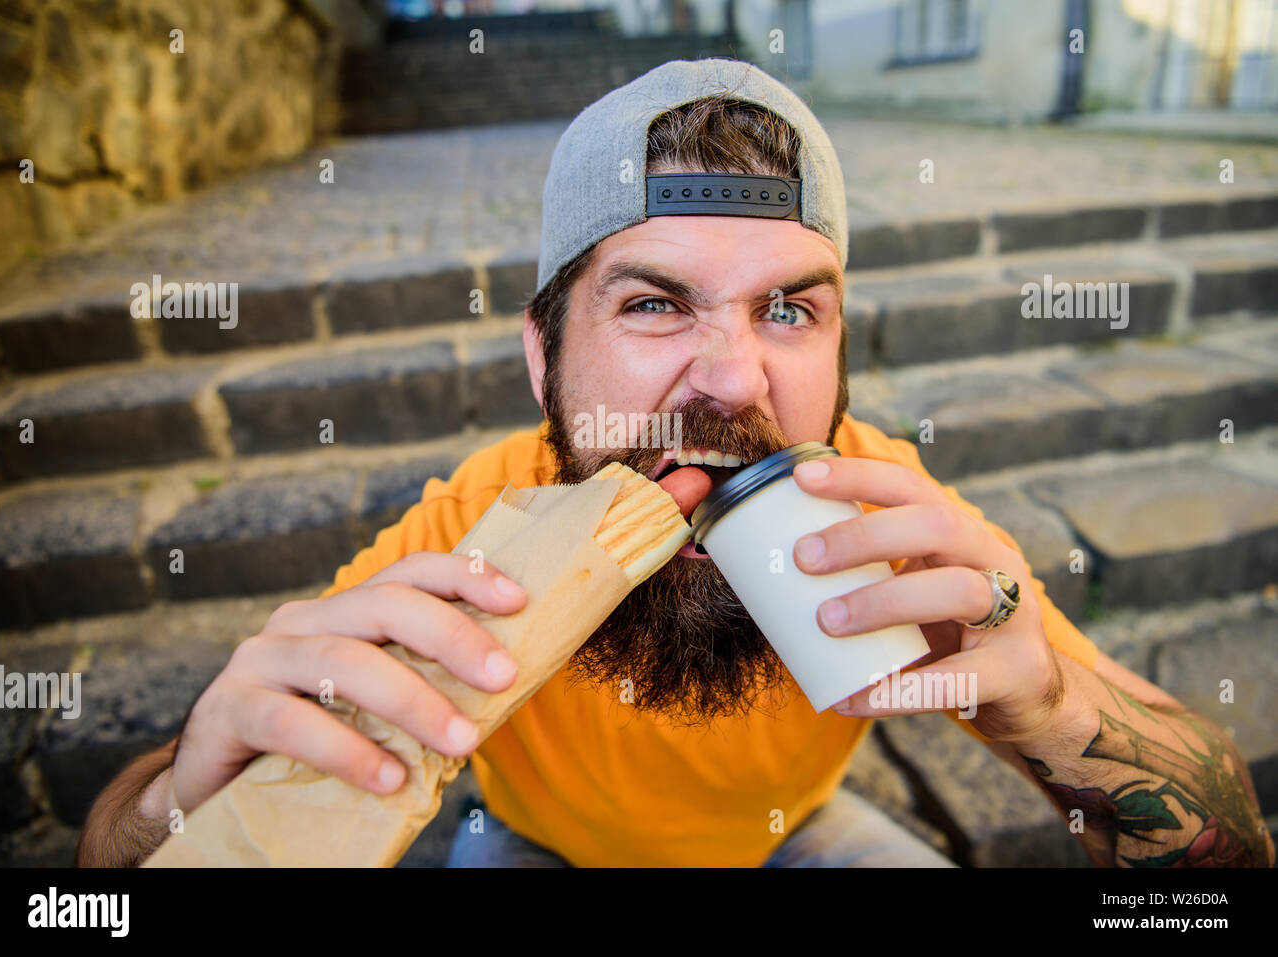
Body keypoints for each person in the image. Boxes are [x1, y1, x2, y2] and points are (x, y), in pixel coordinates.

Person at [77, 59, 1274, 869]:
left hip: (792, 837)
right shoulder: (472, 532)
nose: (734, 381)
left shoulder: (883, 517)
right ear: (542, 358)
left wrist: (1046, 703)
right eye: (653, 304)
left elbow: (1222, 856)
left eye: (790, 313)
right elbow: (102, 873)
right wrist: (190, 780)